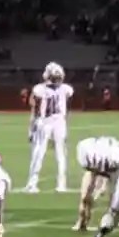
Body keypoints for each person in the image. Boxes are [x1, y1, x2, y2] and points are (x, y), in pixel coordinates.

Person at [25, 62, 74, 193]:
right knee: (60, 154)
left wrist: (31, 128)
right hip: (58, 122)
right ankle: (61, 185)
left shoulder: (39, 89)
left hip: (44, 122)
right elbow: (67, 107)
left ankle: (32, 184)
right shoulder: (66, 89)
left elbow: (34, 108)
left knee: (38, 152)